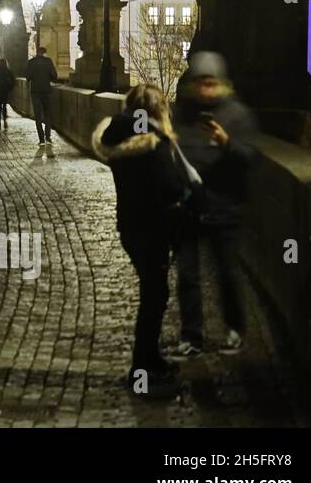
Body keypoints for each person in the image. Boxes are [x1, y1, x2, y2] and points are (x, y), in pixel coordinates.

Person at [92, 84, 187, 387]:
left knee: (153, 294)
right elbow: (171, 187)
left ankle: (149, 358)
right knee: (155, 298)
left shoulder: (119, 140)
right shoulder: (154, 144)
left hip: (130, 226)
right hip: (154, 227)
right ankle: (142, 368)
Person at [171, 52, 258, 358]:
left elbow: (249, 158)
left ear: (221, 84)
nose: (206, 91)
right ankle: (192, 336)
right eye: (201, 84)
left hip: (224, 207)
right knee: (188, 275)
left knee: (227, 273)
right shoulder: (181, 113)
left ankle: (235, 329)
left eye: (211, 84)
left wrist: (226, 143)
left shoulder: (237, 115)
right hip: (189, 208)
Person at [24, 46, 59, 146]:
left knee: (38, 115)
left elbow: (27, 77)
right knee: (48, 114)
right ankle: (47, 136)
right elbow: (54, 76)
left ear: (37, 52)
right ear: (44, 53)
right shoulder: (48, 61)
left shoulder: (31, 62)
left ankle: (41, 139)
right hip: (46, 90)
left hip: (35, 91)